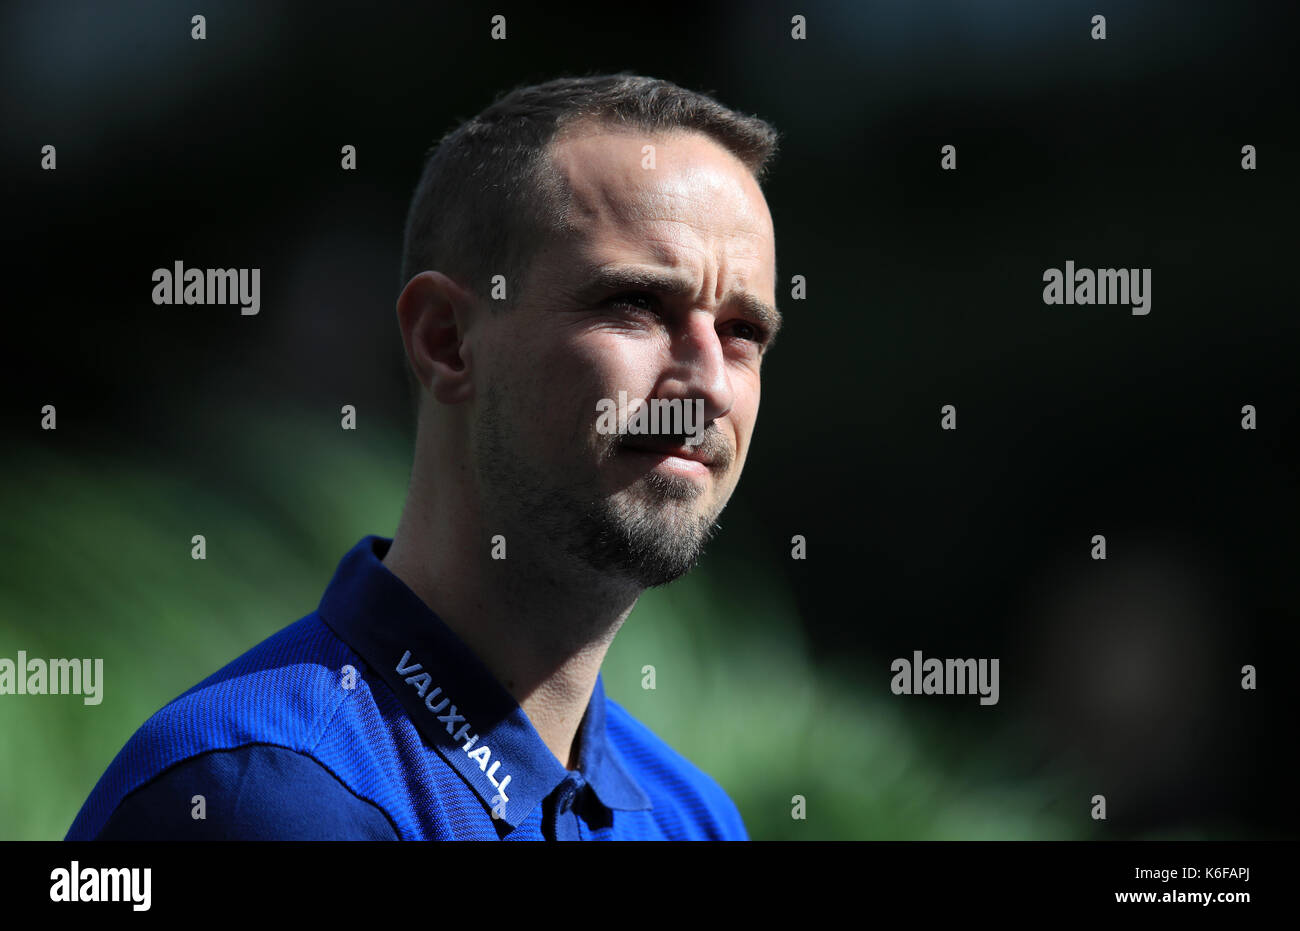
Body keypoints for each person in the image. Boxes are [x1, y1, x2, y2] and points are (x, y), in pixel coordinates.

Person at [66, 72, 782, 841]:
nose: (708, 382)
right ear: (445, 339)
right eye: (637, 305)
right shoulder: (262, 795)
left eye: (743, 331)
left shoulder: (694, 818)